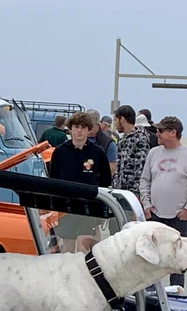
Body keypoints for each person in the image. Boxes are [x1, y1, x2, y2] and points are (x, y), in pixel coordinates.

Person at [139, 116, 187, 287]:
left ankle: (176, 292)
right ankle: (151, 292)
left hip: (178, 217)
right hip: (154, 215)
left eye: (160, 131)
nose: (157, 134)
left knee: (178, 259)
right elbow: (145, 180)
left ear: (173, 133)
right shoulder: (153, 153)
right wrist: (146, 204)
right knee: (152, 258)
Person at [48, 111, 112, 252]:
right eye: (76, 127)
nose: (79, 131)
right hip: (66, 208)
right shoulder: (60, 152)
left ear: (89, 130)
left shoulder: (98, 153)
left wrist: (103, 210)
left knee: (85, 249)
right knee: (68, 251)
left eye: (83, 127)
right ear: (70, 129)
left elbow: (105, 182)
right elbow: (53, 181)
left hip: (89, 208)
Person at [111, 104, 151, 196]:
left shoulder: (140, 139)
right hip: (120, 192)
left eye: (116, 120)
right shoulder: (123, 139)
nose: (115, 124)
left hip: (132, 195)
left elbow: (140, 169)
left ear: (122, 120)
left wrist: (137, 194)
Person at [86, 109, 117, 173]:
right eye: (85, 126)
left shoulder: (109, 143)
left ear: (98, 124)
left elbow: (112, 169)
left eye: (91, 126)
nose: (88, 129)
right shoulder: (78, 140)